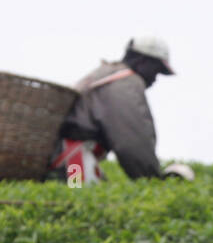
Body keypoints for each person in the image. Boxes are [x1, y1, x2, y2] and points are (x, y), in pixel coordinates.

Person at [49, 36, 184, 185]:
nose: (155, 78)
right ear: (143, 61)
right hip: (74, 161)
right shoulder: (125, 84)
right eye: (156, 70)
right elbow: (132, 140)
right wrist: (151, 181)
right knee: (78, 197)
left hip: (63, 156)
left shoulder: (107, 73)